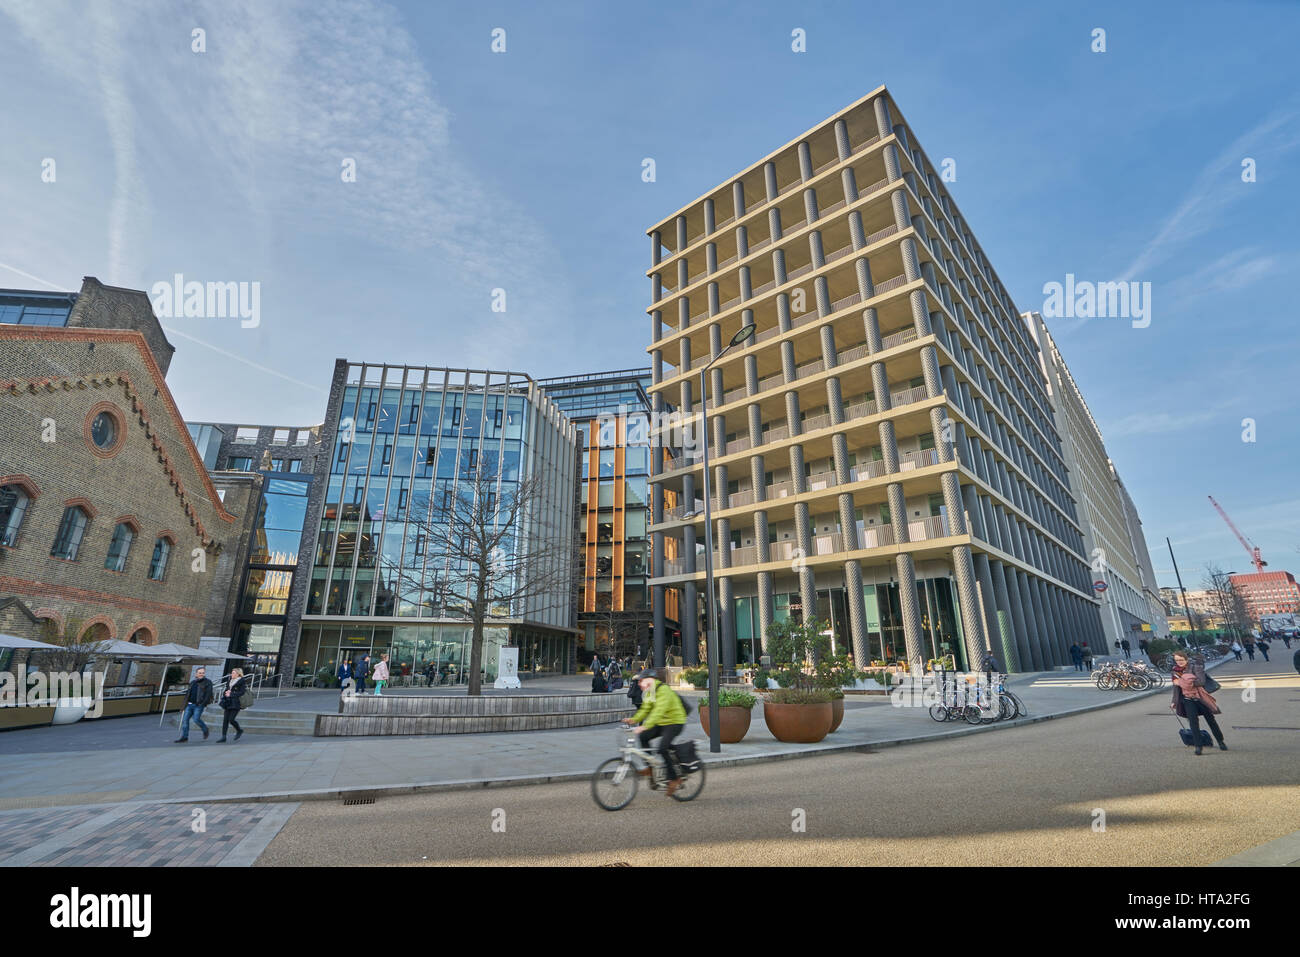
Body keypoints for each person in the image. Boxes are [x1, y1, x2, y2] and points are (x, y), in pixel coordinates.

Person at [621, 670, 688, 797]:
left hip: (675, 722)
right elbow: (646, 709)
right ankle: (650, 769)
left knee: (662, 748)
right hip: (662, 723)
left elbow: (658, 711)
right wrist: (633, 720)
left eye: (641, 681)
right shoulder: (649, 692)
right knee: (643, 737)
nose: (639, 684)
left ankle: (674, 779)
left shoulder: (663, 690)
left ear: (650, 679)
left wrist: (645, 726)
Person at [1169, 651, 1226, 755]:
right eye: (1177, 660)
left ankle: (1220, 741)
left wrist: (1181, 682)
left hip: (1201, 698)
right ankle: (1198, 746)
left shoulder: (1196, 667)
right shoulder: (1174, 671)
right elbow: (1176, 688)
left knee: (1211, 720)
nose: (1179, 662)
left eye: (1181, 660)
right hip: (1187, 699)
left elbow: (1200, 682)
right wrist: (1174, 701)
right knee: (1193, 723)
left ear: (1186, 659)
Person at [175, 666, 214, 742]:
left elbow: (208, 694)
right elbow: (188, 694)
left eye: (203, 673)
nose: (201, 674)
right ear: (196, 674)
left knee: (196, 719)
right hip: (189, 704)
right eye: (200, 673)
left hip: (198, 705)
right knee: (185, 720)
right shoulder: (193, 682)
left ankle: (205, 729)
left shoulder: (208, 682)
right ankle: (184, 737)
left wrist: (203, 703)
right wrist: (183, 705)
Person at [218, 668, 248, 742]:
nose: (232, 674)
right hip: (228, 702)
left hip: (236, 703)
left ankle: (239, 730)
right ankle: (223, 737)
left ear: (238, 674)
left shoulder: (242, 681)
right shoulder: (230, 680)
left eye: (234, 673)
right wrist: (225, 693)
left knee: (231, 719)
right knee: (225, 720)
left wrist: (231, 694)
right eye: (232, 673)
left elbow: (242, 692)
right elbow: (226, 689)